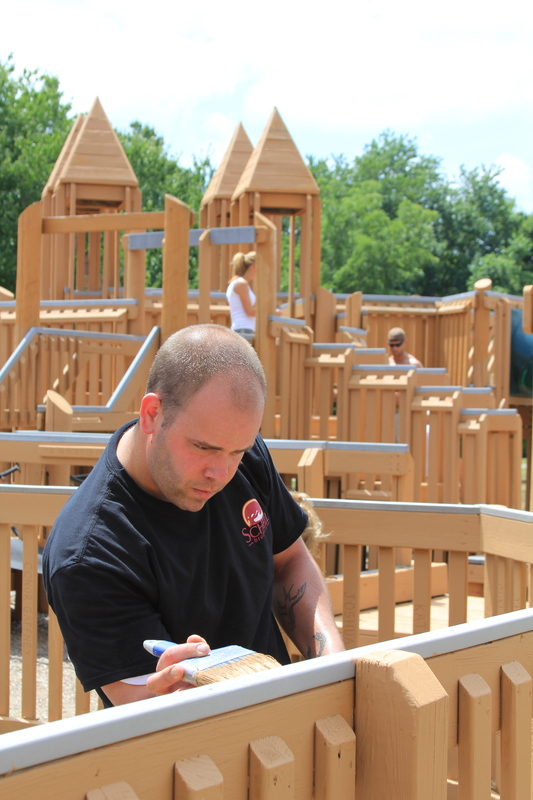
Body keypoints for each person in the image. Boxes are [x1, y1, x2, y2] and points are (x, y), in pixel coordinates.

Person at [43, 324, 344, 708]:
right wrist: (166, 695)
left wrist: (331, 664)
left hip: (281, 719)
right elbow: (137, 699)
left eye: (238, 451)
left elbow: (288, 561)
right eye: (204, 448)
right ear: (152, 414)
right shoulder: (89, 552)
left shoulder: (240, 452)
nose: (221, 473)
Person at [226, 251, 257, 334]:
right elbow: (250, 311)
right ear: (253, 266)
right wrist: (269, 313)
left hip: (242, 329)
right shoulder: (241, 284)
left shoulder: (238, 283)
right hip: (244, 330)